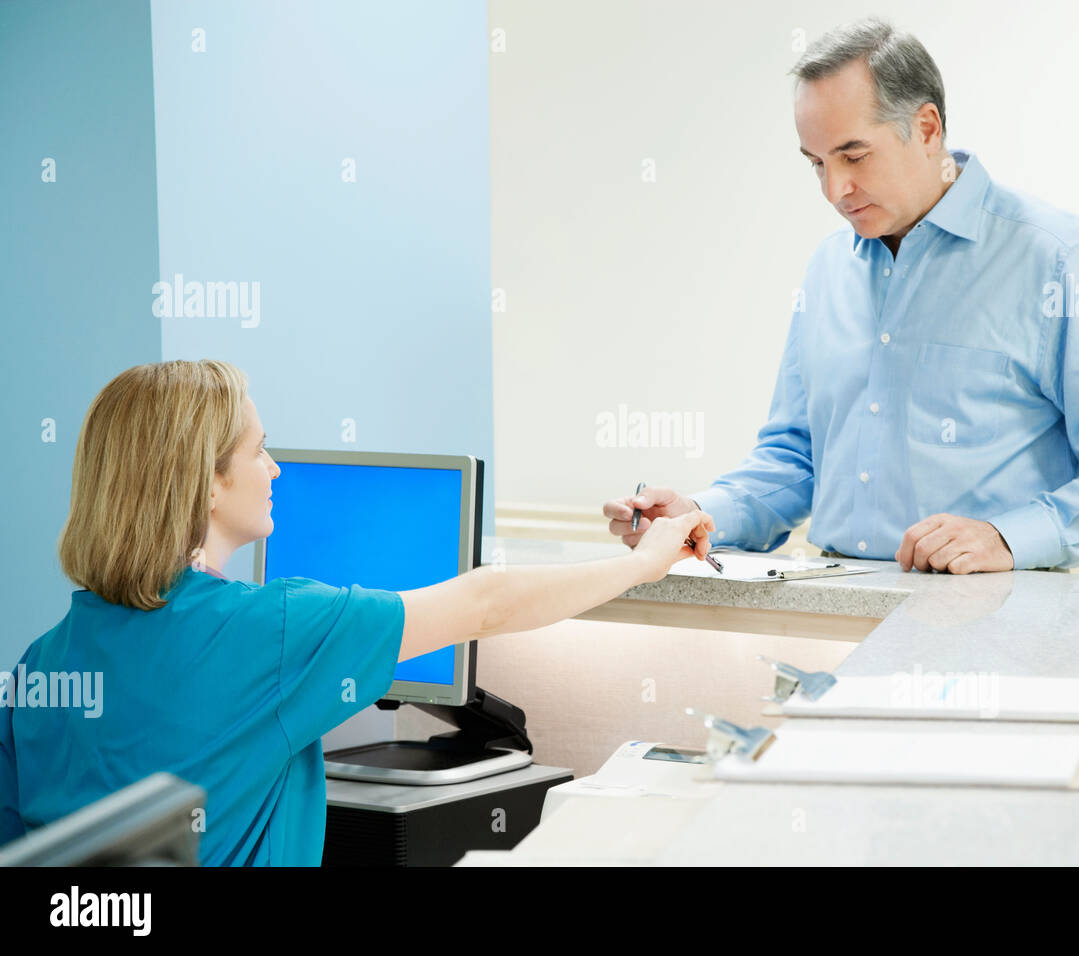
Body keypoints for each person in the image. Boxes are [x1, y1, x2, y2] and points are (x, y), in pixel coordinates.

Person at [0, 359, 714, 865]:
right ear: (207, 484)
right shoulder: (269, 631)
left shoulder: (42, 662)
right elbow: (486, 601)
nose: (275, 468)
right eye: (259, 450)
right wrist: (646, 560)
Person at [604, 18, 1079, 574]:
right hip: (830, 620)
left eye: (854, 155)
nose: (835, 189)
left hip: (999, 633)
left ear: (928, 128)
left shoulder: (1061, 259)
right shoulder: (827, 269)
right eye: (816, 163)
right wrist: (700, 515)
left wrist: (1009, 536)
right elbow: (800, 458)